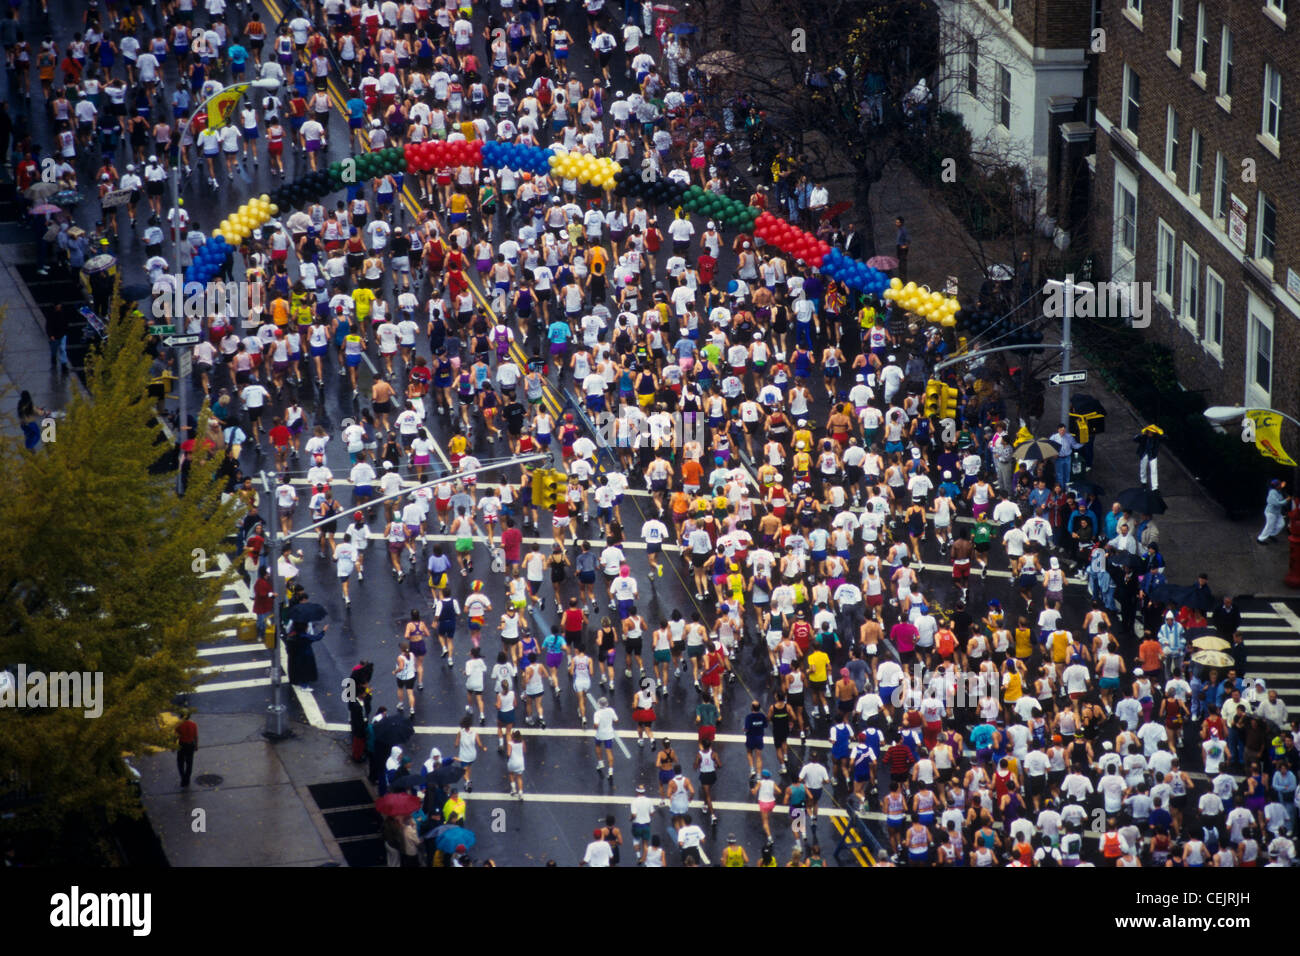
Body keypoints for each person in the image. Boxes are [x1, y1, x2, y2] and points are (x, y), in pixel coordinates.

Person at [175, 711, 198, 787]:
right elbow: (195, 736)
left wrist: (173, 746)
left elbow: (176, 736)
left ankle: (183, 777)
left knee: (180, 762)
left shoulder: (178, 725)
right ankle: (187, 779)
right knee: (189, 763)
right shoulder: (193, 724)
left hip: (182, 745)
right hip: (190, 744)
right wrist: (196, 745)